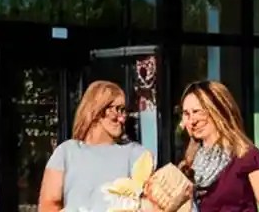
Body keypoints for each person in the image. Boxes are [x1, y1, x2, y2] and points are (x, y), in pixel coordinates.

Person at [39, 80, 170, 212]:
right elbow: (49, 205)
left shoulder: (136, 154)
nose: (122, 118)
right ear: (97, 109)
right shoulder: (66, 153)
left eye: (124, 111)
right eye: (118, 109)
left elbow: (155, 205)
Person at [178, 80, 259, 212]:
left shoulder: (246, 156)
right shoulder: (190, 163)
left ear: (218, 111)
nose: (193, 120)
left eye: (198, 112)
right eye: (187, 114)